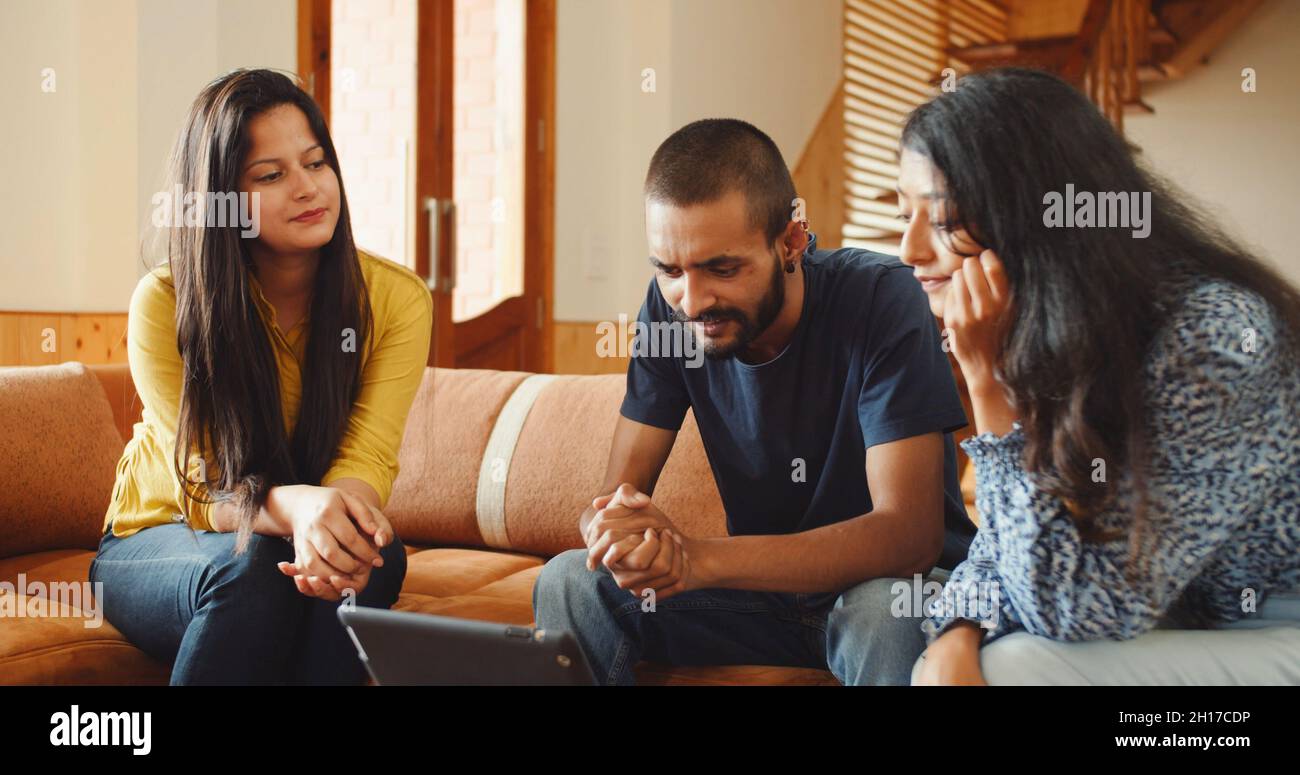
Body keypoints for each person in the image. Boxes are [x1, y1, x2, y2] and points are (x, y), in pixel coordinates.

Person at [533, 118, 975, 685]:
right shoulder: (670, 313)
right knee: (570, 580)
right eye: (670, 270)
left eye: (722, 268)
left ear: (791, 241)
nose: (691, 301)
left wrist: (697, 558)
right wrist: (616, 534)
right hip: (758, 598)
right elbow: (613, 499)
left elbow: (908, 537)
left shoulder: (881, 297)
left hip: (889, 589)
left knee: (884, 612)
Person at [897, 68, 1300, 685]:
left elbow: (1078, 607)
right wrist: (958, 632)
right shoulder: (1067, 331)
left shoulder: (1216, 337)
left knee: (1014, 673)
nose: (909, 249)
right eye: (905, 214)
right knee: (946, 657)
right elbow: (1008, 550)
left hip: (1276, 627)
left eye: (944, 218)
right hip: (1181, 618)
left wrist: (990, 386)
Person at [90, 69, 432, 685]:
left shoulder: (395, 299)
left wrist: (331, 532)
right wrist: (301, 509)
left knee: (372, 563)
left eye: (316, 162)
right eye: (271, 176)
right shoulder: (166, 303)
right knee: (251, 572)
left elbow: (369, 453)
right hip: (161, 536)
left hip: (281, 538)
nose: (307, 188)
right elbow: (205, 489)